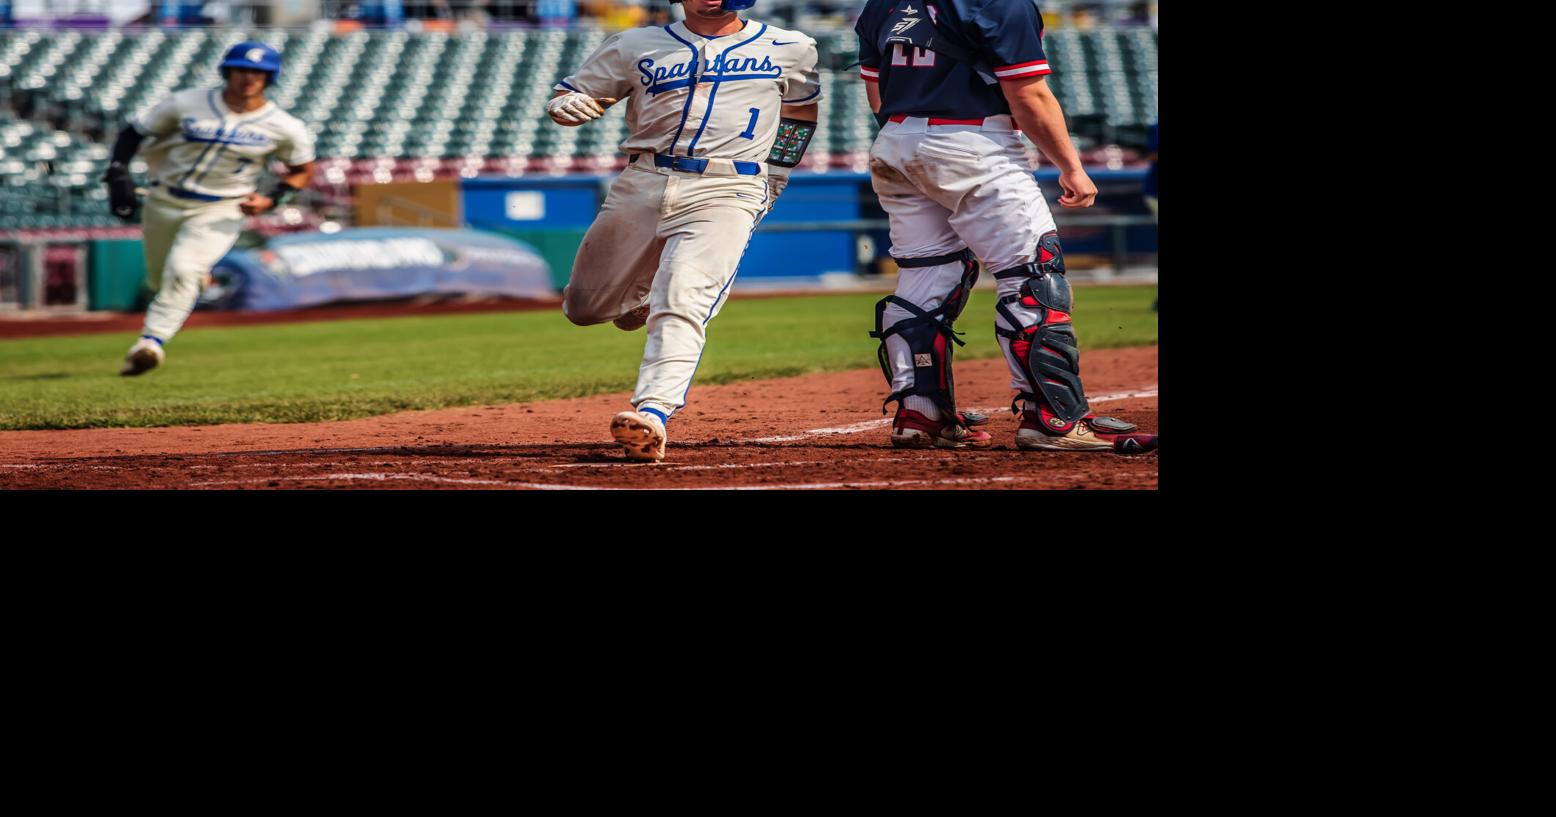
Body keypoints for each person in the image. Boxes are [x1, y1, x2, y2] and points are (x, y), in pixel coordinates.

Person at [855, 0, 1156, 454]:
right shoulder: (1000, 2)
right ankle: (1055, 419)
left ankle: (921, 415)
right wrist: (1071, 167)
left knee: (925, 276)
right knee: (1033, 277)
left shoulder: (884, 3)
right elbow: (1028, 94)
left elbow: (875, 88)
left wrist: (918, 145)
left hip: (895, 138)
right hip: (975, 140)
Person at [547, 0, 821, 461]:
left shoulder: (792, 46)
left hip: (728, 184)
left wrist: (775, 176)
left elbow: (799, 115)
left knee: (683, 298)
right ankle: (640, 299)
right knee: (583, 307)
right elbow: (573, 94)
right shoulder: (636, 43)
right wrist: (564, 104)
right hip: (644, 179)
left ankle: (652, 413)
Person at [105, 41, 315, 376]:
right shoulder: (187, 103)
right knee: (159, 279)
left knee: (184, 270)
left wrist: (272, 199)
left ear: (269, 78)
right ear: (227, 71)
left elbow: (302, 170)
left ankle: (150, 343)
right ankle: (194, 284)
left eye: (258, 72)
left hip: (222, 207)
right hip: (163, 199)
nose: (249, 77)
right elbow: (133, 133)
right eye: (242, 69)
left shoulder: (285, 126)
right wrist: (117, 173)